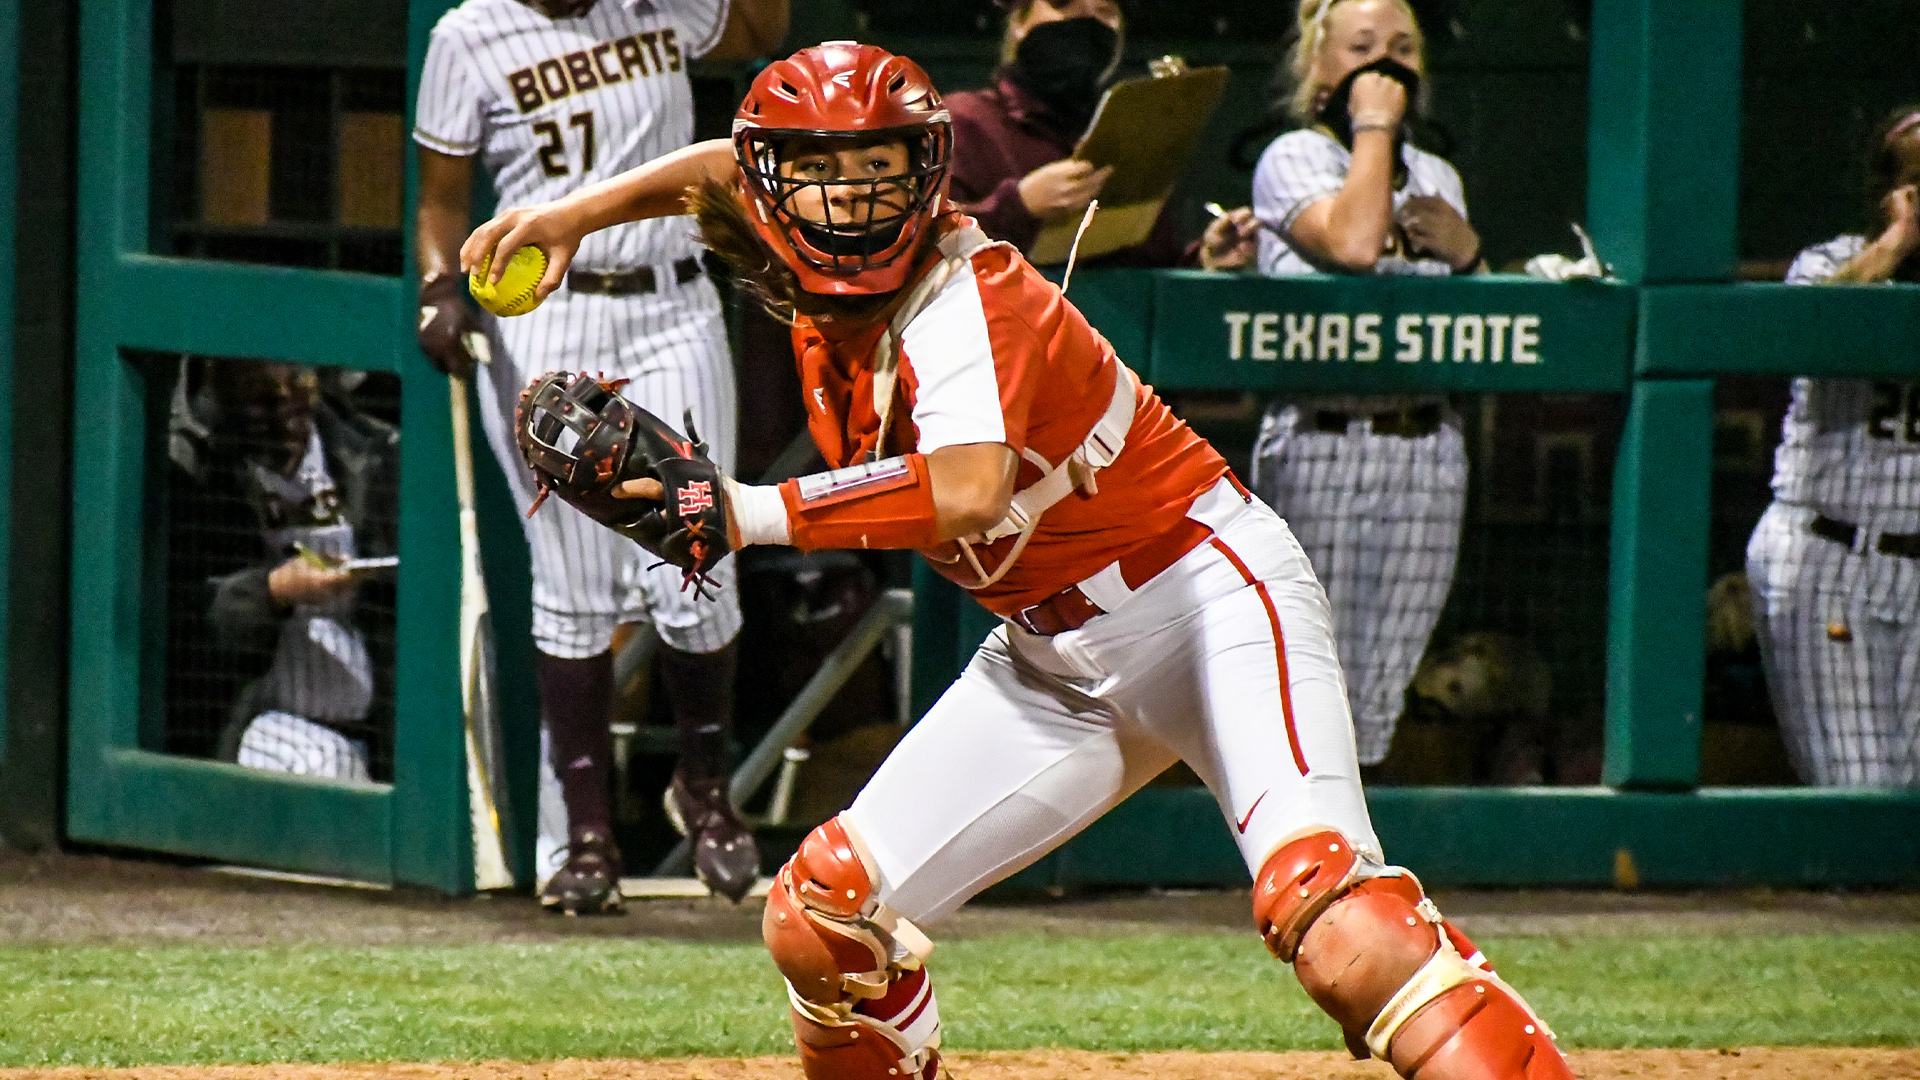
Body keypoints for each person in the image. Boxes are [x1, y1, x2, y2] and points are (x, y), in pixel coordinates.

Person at [466, 41, 1575, 1080]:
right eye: (818, 174)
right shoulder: (776, 220)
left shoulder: (965, 295)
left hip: (1202, 596)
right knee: (822, 919)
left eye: (879, 169)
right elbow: (717, 169)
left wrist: (745, 512)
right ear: (774, 187)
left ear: (930, 172)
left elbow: (966, 489)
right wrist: (570, 213)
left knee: (1341, 929)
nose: (850, 196)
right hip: (1053, 657)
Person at [413, 0, 789, 910]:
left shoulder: (657, 4)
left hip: (676, 303)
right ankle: (586, 834)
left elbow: (759, 35)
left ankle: (704, 787)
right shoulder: (469, 33)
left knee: (700, 551)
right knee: (575, 582)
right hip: (549, 310)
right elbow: (441, 197)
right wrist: (438, 285)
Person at [1246, 0, 1482, 772]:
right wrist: (1375, 126)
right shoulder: (1292, 156)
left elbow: (1479, 328)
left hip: (1425, 445)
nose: (1387, 64)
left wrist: (1471, 255)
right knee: (1306, 681)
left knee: (1380, 694)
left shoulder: (1439, 174)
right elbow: (1351, 243)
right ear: (1319, 66)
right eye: (1363, 47)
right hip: (1322, 438)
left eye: (1404, 47)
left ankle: (1354, 868)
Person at [1746, 105, 1920, 789]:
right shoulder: (1830, 261)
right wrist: (1897, 243)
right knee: (1856, 786)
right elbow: (1803, 332)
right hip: (1831, 554)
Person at [167, 359, 399, 784]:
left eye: (296, 389)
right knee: (324, 763)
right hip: (258, 725)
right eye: (260, 398)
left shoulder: (364, 453)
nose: (282, 411)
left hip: (370, 725)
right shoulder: (199, 471)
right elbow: (187, 622)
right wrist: (273, 590)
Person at [945, 0, 1258, 270]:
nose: (1083, 22)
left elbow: (1144, 271)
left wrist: (1204, 259)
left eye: (1104, 12)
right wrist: (1021, 206)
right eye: (1062, 4)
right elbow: (920, 244)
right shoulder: (967, 121)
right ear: (1019, 21)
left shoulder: (1130, 132)